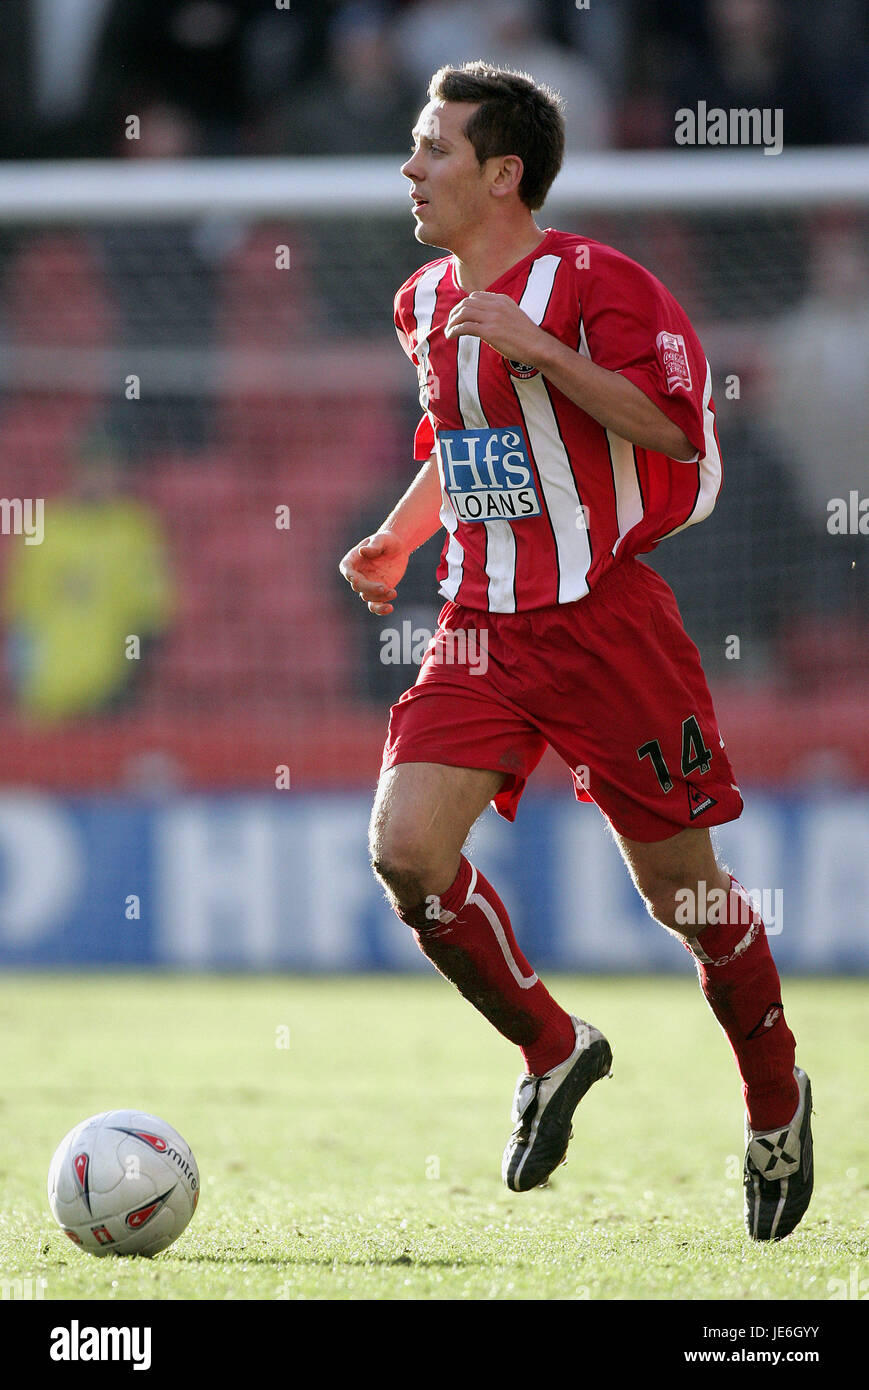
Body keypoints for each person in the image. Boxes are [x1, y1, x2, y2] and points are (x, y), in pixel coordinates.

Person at [339, 62, 812, 1241]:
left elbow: (671, 425)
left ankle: (772, 1100)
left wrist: (541, 349)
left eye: (433, 149)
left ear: (503, 173)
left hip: (605, 626)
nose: (411, 167)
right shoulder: (418, 303)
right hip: (481, 629)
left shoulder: (600, 284)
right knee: (404, 851)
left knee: (688, 897)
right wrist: (398, 539)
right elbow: (466, 445)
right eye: (413, 145)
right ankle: (553, 1047)